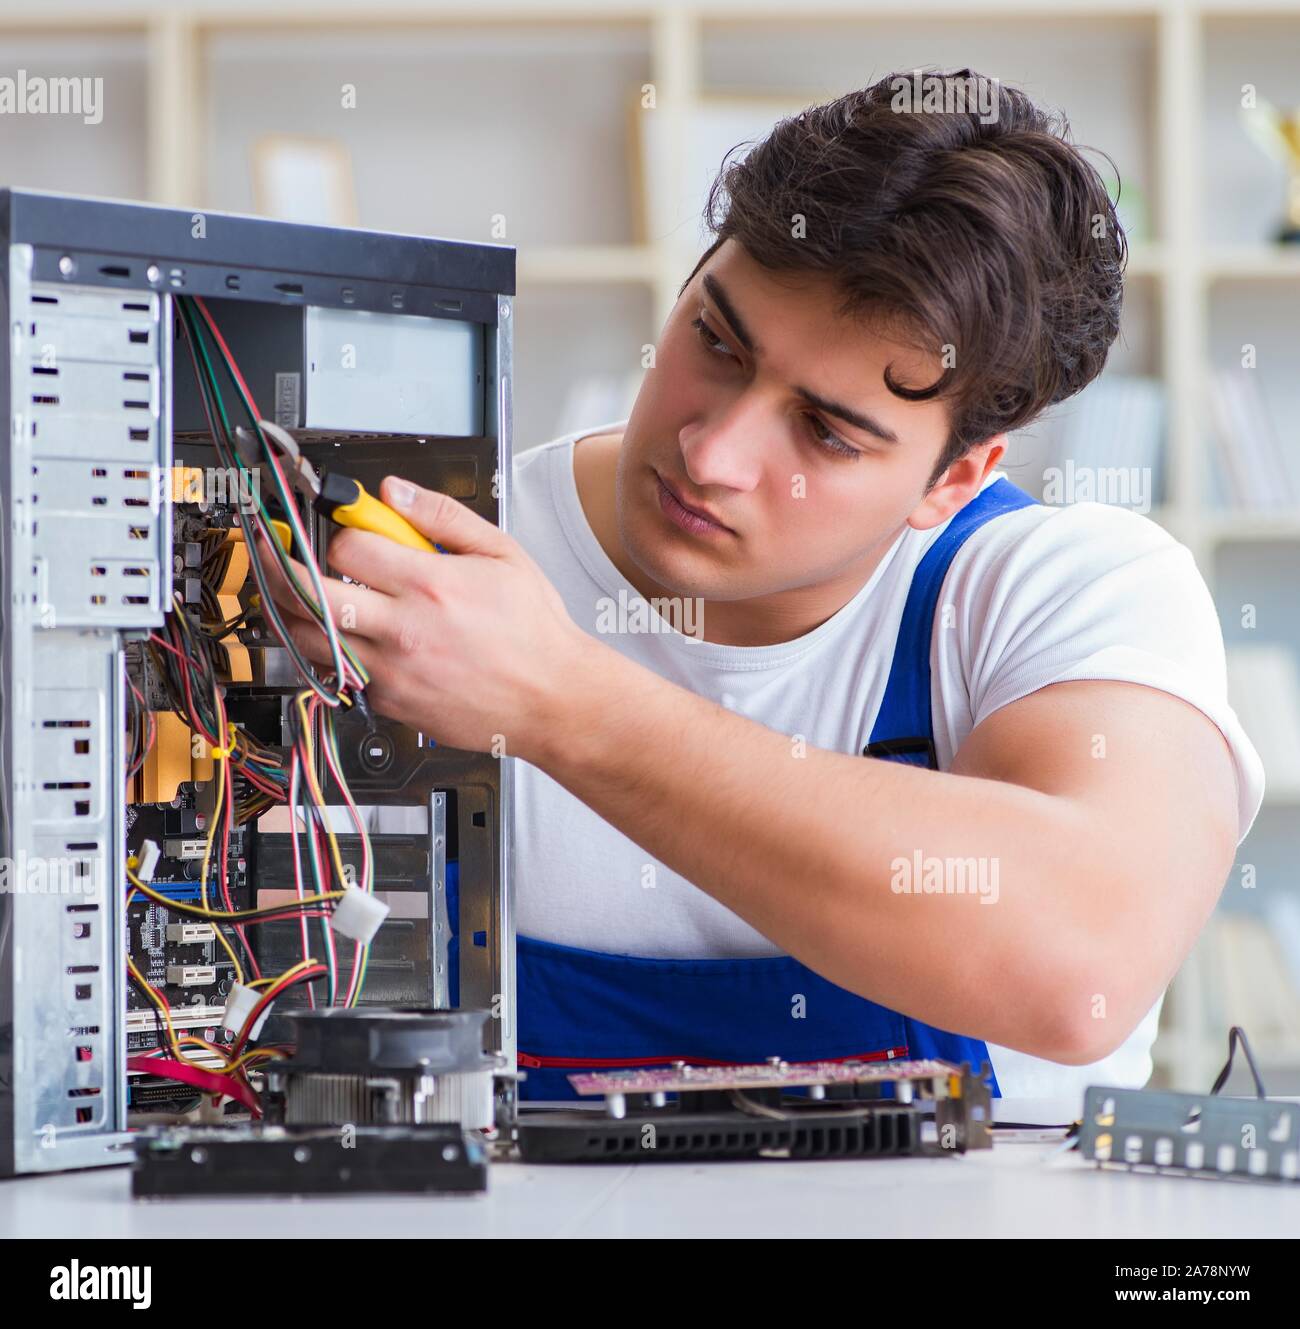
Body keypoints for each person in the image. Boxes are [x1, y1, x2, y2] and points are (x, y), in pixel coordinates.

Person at [263, 70, 1264, 1103]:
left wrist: (560, 701)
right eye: (716, 342)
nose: (712, 451)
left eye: (825, 431)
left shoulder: (1068, 588)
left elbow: (1078, 975)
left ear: (956, 476)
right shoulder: (431, 571)